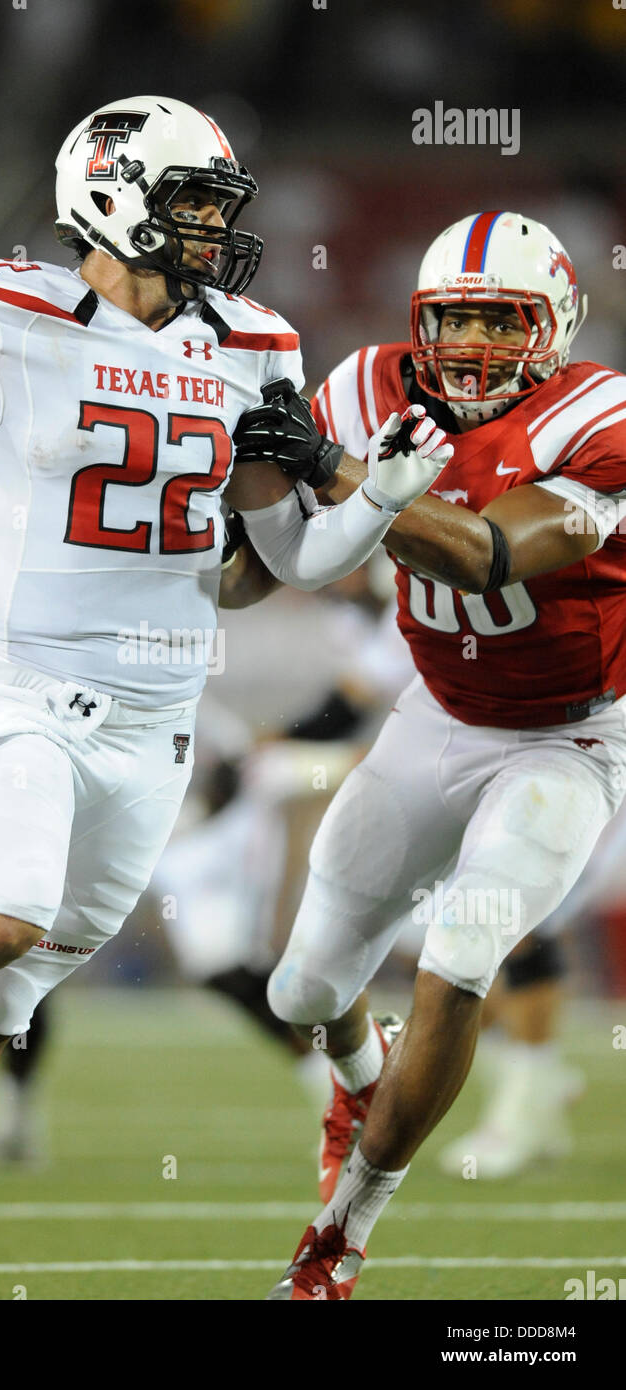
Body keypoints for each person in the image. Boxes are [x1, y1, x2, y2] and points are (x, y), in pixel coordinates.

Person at [0, 95, 448, 1300]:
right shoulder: (2, 312)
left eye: (220, 204)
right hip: (24, 688)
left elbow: (281, 568)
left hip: (159, 718)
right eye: (191, 202)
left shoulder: (255, 341)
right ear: (111, 195)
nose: (215, 228)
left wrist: (369, 501)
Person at [233, 211, 626, 1299]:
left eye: (500, 323)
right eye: (451, 318)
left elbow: (494, 551)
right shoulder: (363, 385)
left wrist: (333, 466)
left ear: (557, 327)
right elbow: (277, 553)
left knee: (461, 953)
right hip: (435, 711)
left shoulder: (601, 418)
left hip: (570, 738)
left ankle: (340, 1234)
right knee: (301, 990)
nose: (469, 347)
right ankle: (364, 1076)